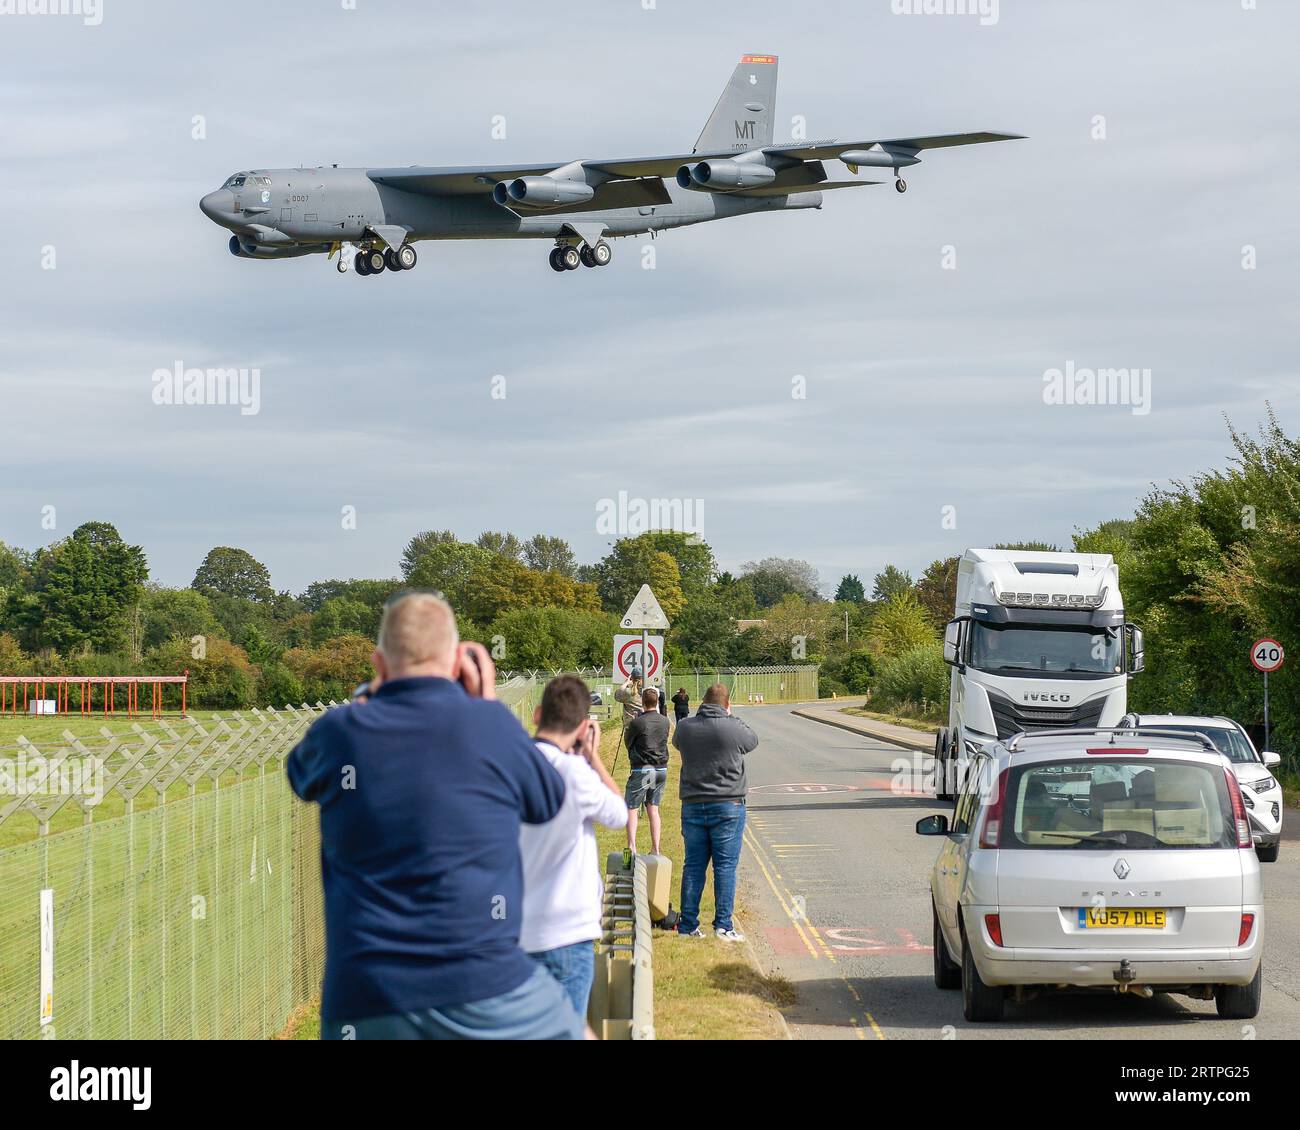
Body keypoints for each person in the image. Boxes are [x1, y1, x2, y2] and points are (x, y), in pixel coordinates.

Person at [286, 591, 583, 1040]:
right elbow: (548, 800)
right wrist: (484, 703)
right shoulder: (491, 725)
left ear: (379, 665)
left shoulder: (339, 732)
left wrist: (368, 695)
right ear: (455, 663)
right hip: (485, 985)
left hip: (366, 997)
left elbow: (299, 775)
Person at [520, 676, 629, 1018]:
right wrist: (592, 758)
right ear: (583, 726)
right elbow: (619, 814)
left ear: (537, 713)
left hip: (513, 933)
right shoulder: (574, 773)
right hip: (567, 931)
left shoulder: (507, 766)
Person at [672, 683, 759, 942]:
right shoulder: (733, 727)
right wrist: (731, 716)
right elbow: (752, 740)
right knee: (725, 867)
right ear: (726, 704)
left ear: (702, 701)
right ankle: (723, 925)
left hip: (693, 803)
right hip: (728, 804)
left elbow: (677, 744)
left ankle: (687, 925)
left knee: (694, 866)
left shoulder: (685, 727)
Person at [623, 686, 670, 856]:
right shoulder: (665, 721)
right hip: (661, 767)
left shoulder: (637, 722)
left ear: (642, 702)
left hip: (642, 767)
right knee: (653, 808)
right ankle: (655, 848)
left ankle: (632, 846)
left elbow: (628, 741)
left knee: (632, 807)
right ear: (657, 702)